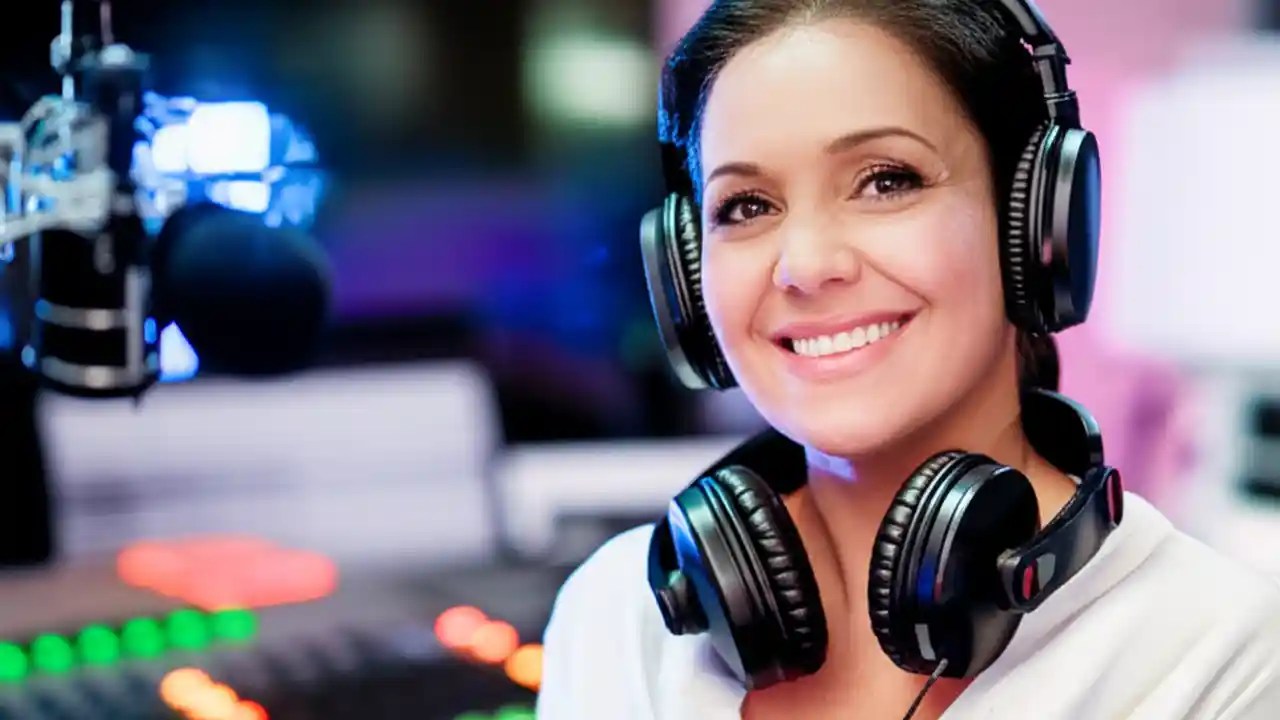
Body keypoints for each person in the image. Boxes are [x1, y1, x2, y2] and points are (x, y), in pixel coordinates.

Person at [536, 1, 1280, 718]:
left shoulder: (1218, 654)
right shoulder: (617, 622)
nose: (806, 265)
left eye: (887, 181)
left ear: (1030, 226)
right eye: (747, 206)